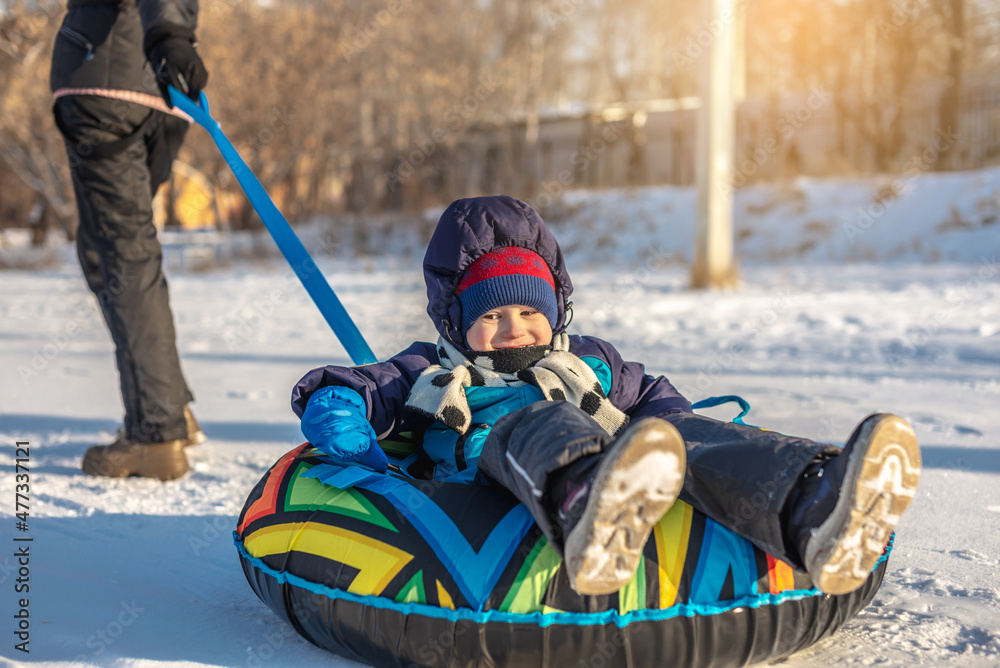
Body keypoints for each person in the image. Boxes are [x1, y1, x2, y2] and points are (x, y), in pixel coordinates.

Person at [291, 195, 921, 597]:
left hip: (624, 460)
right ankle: (588, 505)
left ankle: (814, 503)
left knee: (689, 433)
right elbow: (350, 387)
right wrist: (342, 423)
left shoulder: (589, 362)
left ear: (555, 311)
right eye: (493, 315)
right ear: (457, 323)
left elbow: (655, 399)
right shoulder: (432, 368)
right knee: (534, 427)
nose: (514, 327)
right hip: (499, 465)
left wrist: (687, 444)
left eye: (527, 310)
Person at [50, 0, 209, 481]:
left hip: (109, 91)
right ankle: (168, 407)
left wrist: (169, 37)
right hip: (147, 91)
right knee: (109, 254)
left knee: (124, 256)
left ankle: (155, 435)